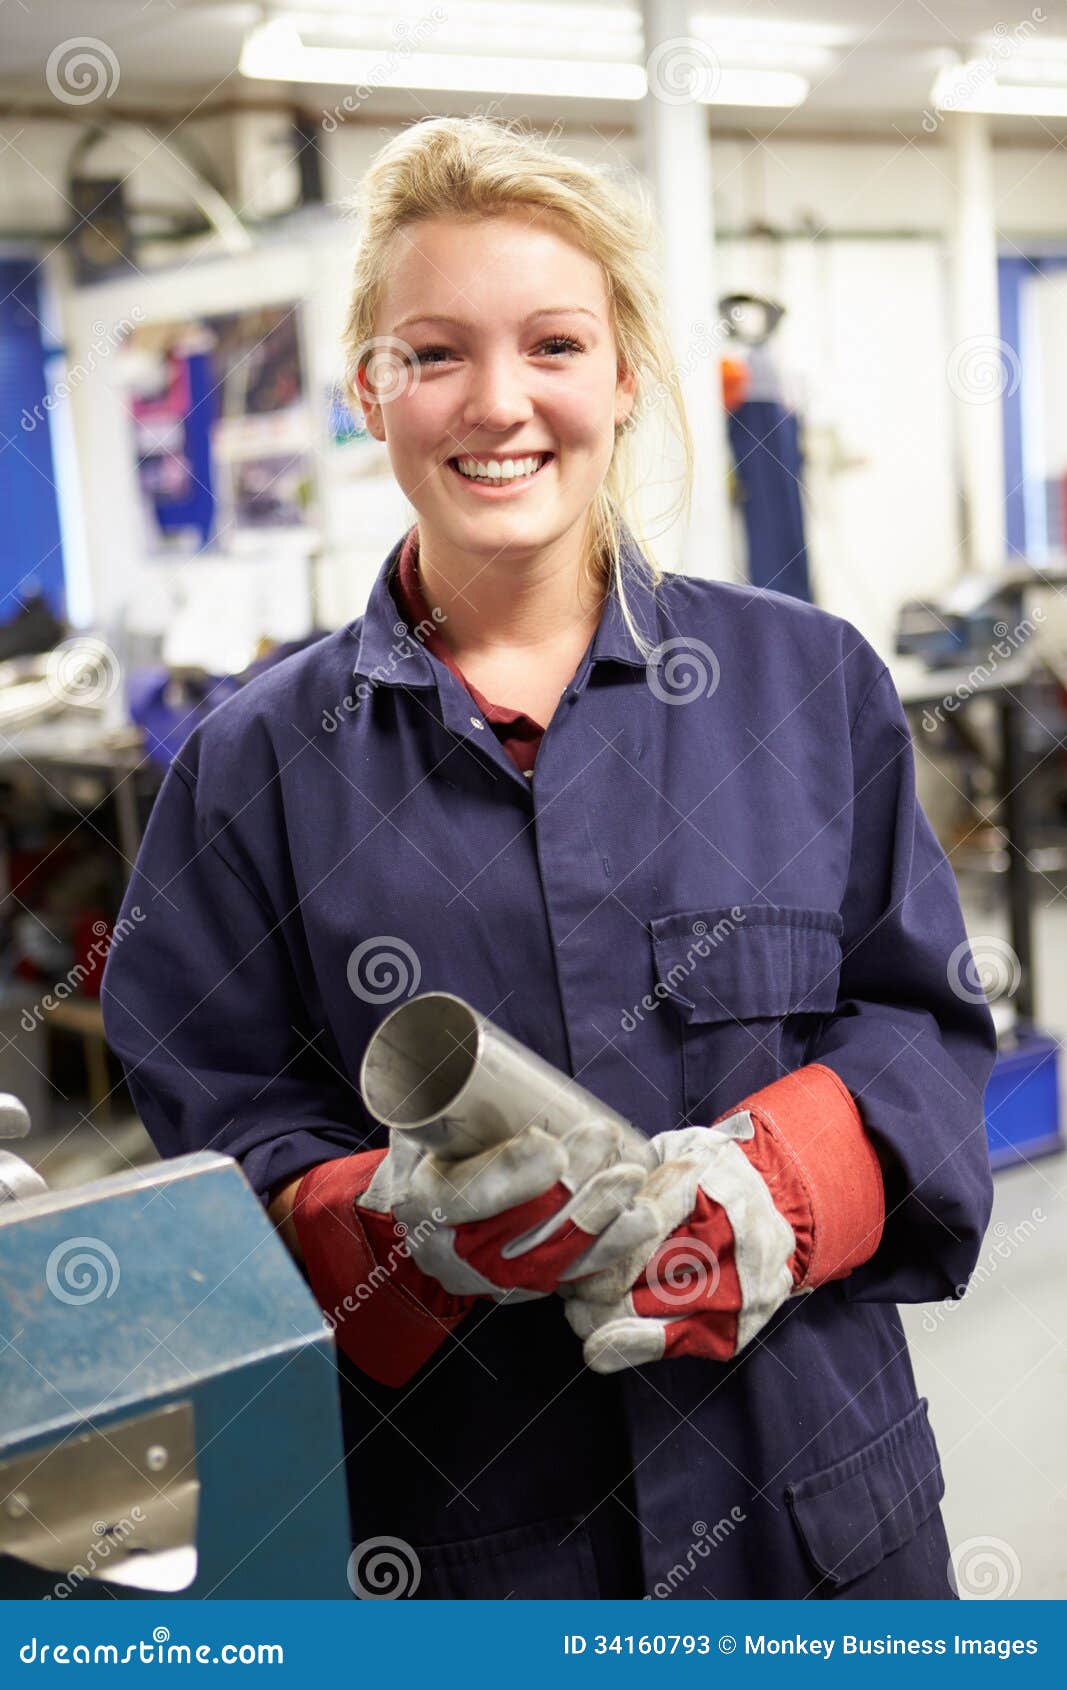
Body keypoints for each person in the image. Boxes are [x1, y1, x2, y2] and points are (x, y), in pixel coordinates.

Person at [101, 115, 997, 1601]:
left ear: (628, 375)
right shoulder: (251, 767)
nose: (499, 402)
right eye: (434, 351)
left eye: (557, 345)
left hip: (815, 1526)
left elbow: (920, 1019)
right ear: (366, 390)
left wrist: (776, 1184)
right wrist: (379, 1227)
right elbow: (215, 1143)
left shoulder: (808, 685)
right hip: (474, 1547)